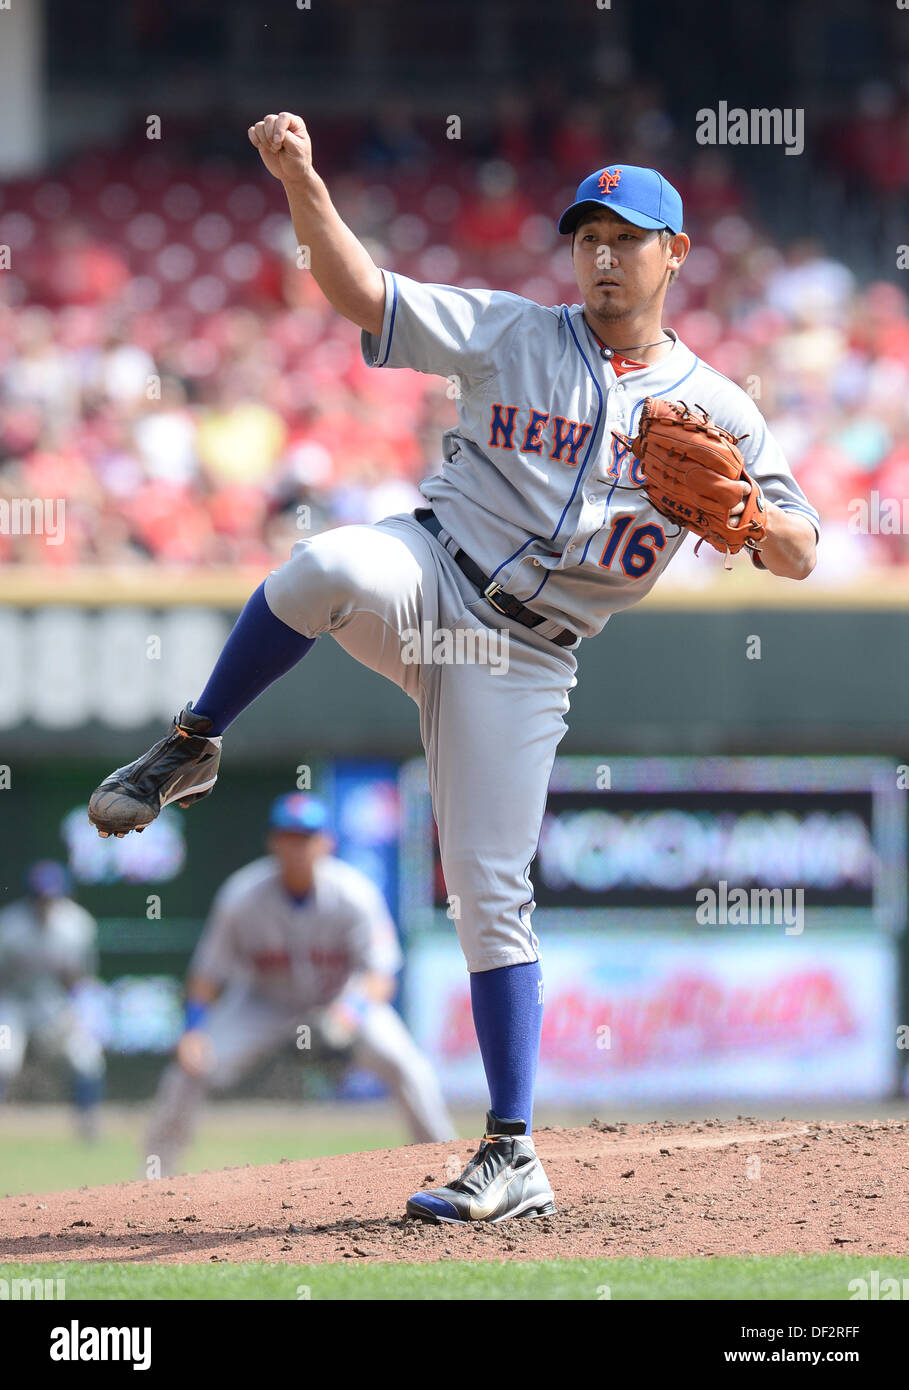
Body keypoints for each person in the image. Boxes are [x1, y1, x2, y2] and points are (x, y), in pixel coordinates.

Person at [90, 115, 819, 1224]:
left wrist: (753, 514)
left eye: (629, 236)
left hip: (525, 658)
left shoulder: (723, 410)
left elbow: (803, 555)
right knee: (324, 563)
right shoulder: (513, 332)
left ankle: (513, 1151)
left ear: (677, 254)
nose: (605, 255)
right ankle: (190, 745)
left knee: (491, 893)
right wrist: (303, 183)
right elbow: (360, 292)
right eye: (588, 236)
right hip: (433, 573)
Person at [143, 793, 454, 1176]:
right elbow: (206, 976)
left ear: (326, 842)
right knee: (189, 1068)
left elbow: (380, 976)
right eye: (288, 836)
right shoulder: (242, 896)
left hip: (339, 1001)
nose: (297, 847)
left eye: (306, 837)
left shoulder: (354, 894)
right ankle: (154, 1177)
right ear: (273, 842)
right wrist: (193, 1031)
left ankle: (449, 1169)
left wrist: (348, 1014)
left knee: (408, 1067)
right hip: (263, 1002)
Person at [0, 861, 105, 1139]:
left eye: (51, 896)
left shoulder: (78, 926)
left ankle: (87, 1126)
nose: (45, 902)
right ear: (30, 896)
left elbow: (82, 981)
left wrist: (77, 1001)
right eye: (40, 896)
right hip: (14, 1004)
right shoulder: (9, 927)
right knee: (3, 1056)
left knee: (87, 1056)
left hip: (58, 1006)